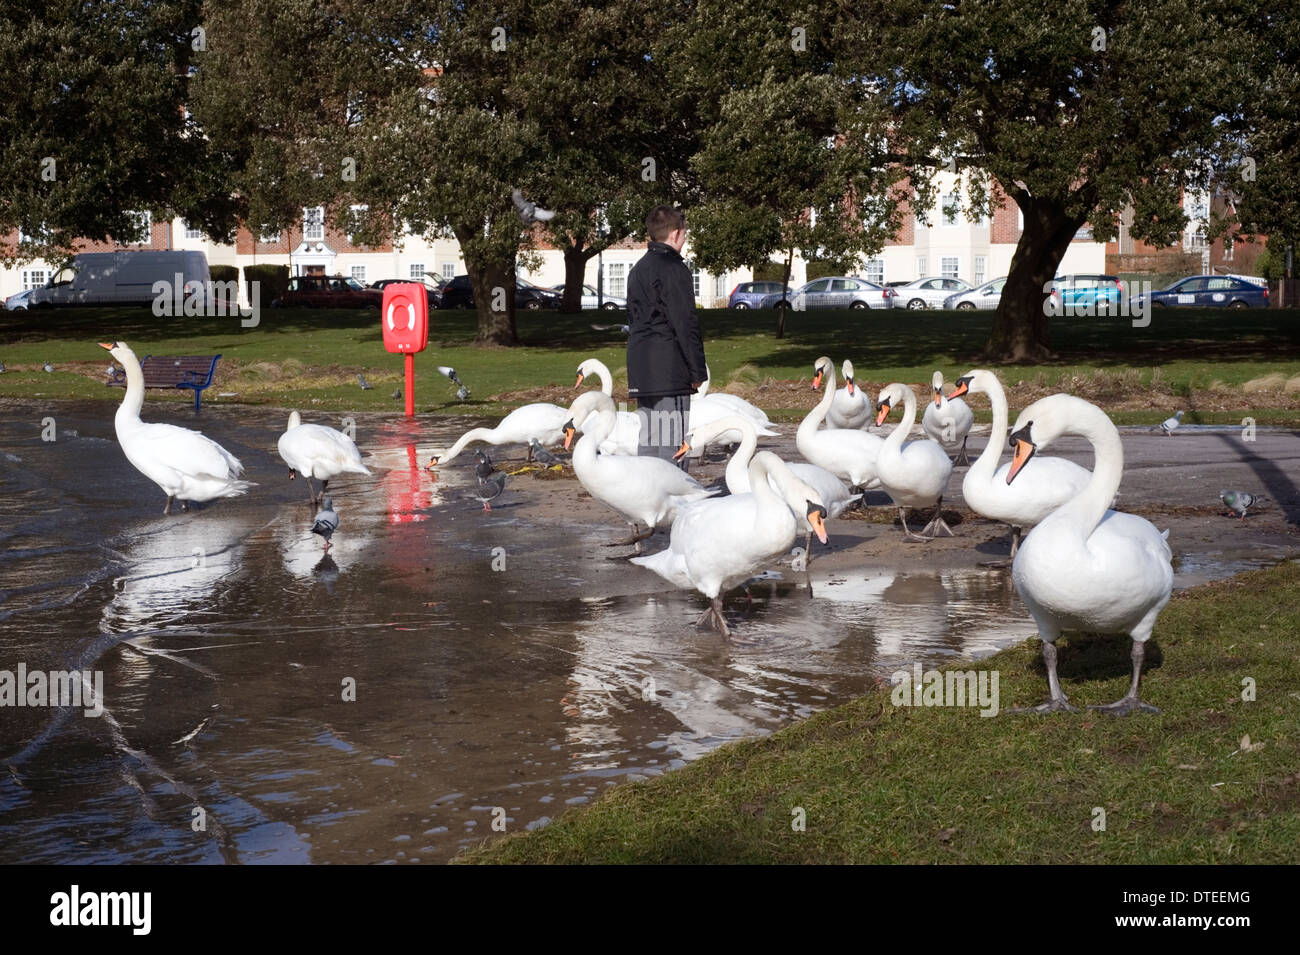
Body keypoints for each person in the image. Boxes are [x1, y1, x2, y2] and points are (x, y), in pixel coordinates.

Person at [626, 205, 707, 471]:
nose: (685, 240)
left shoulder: (638, 269)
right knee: (672, 444)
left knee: (649, 440)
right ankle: (675, 505)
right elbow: (684, 323)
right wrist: (696, 370)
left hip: (642, 367)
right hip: (669, 370)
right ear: (674, 234)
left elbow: (635, 319)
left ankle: (647, 499)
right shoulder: (674, 269)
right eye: (684, 235)